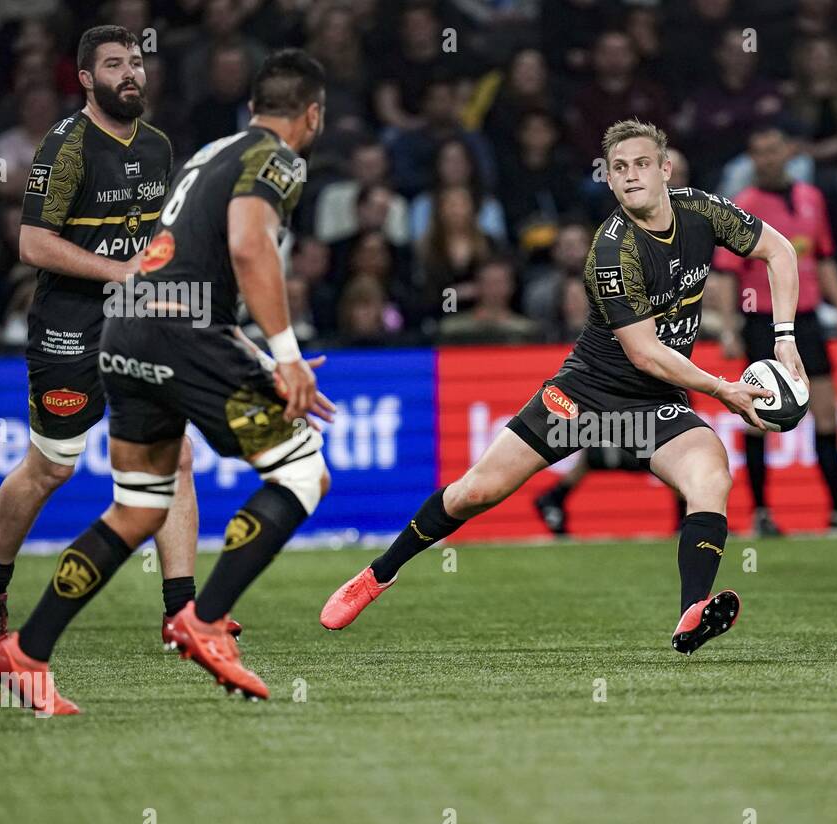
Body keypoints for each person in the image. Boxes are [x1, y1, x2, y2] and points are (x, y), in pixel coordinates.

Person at [323, 118, 802, 655]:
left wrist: (784, 338)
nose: (630, 176)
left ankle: (691, 613)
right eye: (619, 169)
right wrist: (724, 388)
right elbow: (645, 352)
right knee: (475, 492)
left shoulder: (702, 210)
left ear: (665, 169)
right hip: (586, 395)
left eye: (642, 164)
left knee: (711, 476)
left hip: (653, 403)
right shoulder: (611, 251)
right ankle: (378, 574)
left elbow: (780, 251)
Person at [0, 50, 336, 714]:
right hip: (177, 338)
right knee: (301, 474)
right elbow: (247, 245)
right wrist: (285, 355)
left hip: (127, 334)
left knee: (139, 508)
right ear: (311, 114)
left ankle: (27, 651)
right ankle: (202, 619)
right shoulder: (279, 160)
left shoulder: (213, 151)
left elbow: (183, 269)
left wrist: (256, 357)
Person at [0, 26, 229, 659]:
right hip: (68, 325)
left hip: (136, 325)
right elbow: (32, 244)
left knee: (176, 456)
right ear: (86, 79)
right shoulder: (68, 147)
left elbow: (152, 241)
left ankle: (182, 615)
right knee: (51, 467)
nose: (130, 73)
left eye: (136, 62)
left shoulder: (159, 147)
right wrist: (120, 272)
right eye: (115, 65)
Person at [714, 123, 837, 535]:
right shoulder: (743, 205)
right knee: (756, 417)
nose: (767, 158)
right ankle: (762, 513)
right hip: (762, 321)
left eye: (773, 149)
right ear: (752, 159)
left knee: (826, 413)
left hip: (808, 318)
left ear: (789, 153)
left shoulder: (811, 198)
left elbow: (824, 258)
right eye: (759, 152)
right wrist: (730, 329)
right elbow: (728, 274)